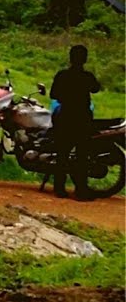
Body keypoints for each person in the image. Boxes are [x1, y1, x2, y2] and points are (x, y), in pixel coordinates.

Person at [49, 44, 101, 200]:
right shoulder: (87, 76)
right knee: (82, 156)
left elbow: (53, 95)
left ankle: (59, 188)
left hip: (65, 116)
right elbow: (96, 89)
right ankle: (81, 190)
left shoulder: (62, 75)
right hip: (82, 119)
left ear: (70, 58)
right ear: (85, 59)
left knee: (62, 154)